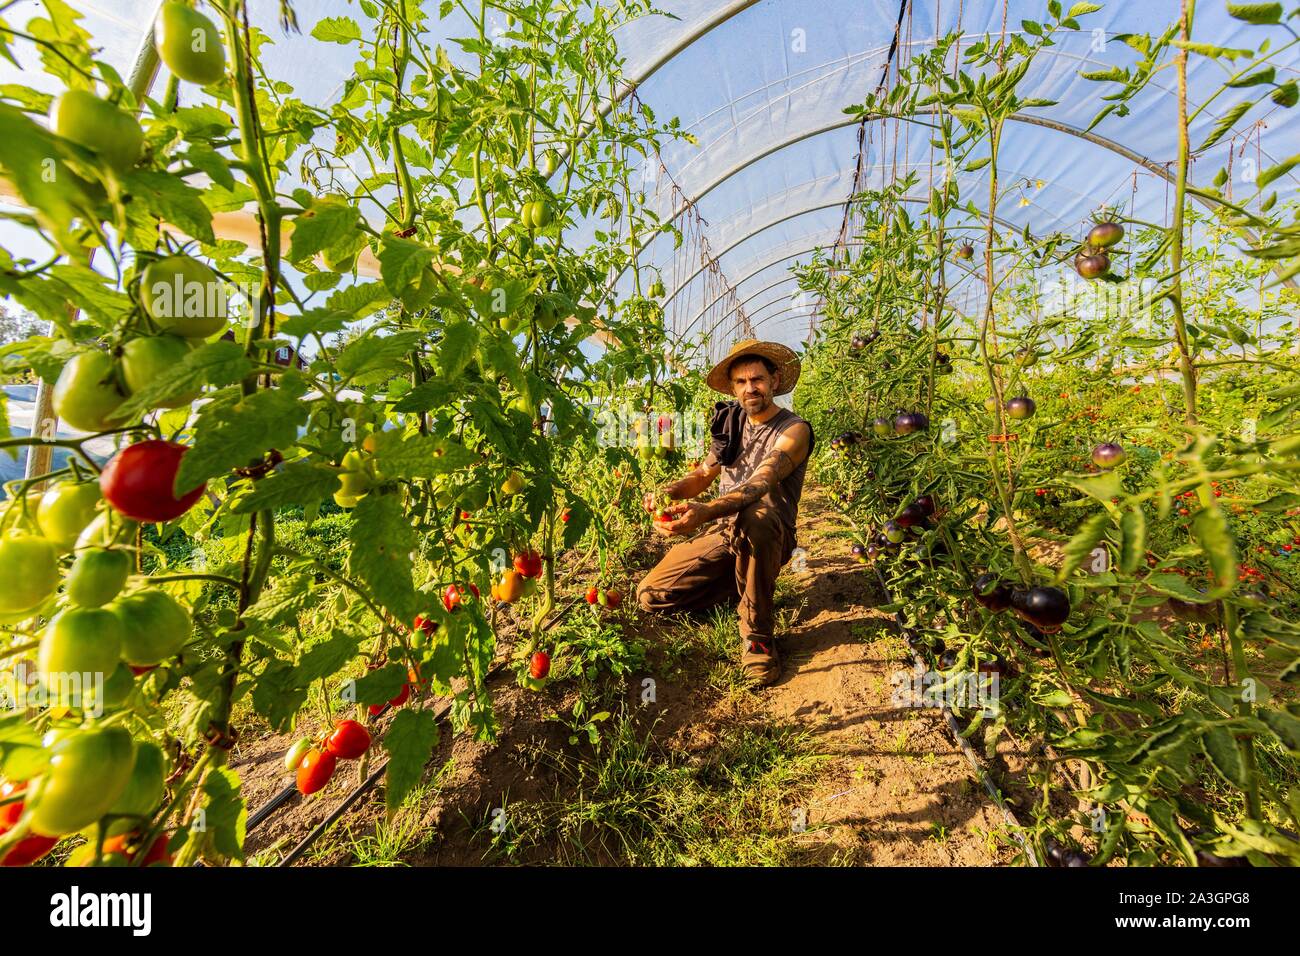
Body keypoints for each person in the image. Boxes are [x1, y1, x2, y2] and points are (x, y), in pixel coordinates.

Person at [635, 339, 815, 687]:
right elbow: (702, 475)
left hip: (768, 534)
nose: (751, 388)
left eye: (758, 379)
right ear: (733, 387)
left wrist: (705, 512)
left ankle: (757, 634)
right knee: (651, 595)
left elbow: (761, 484)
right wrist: (665, 493)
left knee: (756, 516)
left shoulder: (794, 429)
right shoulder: (730, 424)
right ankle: (743, 587)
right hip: (723, 533)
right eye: (742, 382)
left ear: (774, 381)